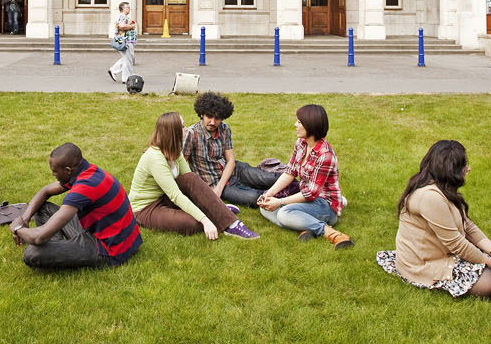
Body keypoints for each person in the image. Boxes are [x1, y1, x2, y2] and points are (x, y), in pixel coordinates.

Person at [376, 140, 491, 299]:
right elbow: (456, 244)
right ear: (452, 170)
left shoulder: (442, 188)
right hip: (423, 264)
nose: (468, 168)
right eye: (464, 165)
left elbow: (468, 227)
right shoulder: (430, 197)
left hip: (442, 253)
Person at [10, 142, 142, 270]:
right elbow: (45, 191)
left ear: (67, 170)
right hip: (116, 236)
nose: (52, 174)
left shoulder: (82, 189)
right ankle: (55, 245)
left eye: (54, 171)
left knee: (32, 253)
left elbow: (39, 237)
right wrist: (25, 219)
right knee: (42, 208)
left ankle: (54, 246)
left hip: (109, 249)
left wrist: (17, 228)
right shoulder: (89, 171)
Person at [129, 111, 260, 239]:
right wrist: (205, 220)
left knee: (191, 178)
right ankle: (218, 212)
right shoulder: (155, 158)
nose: (187, 129)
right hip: (146, 208)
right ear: (173, 132)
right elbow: (176, 195)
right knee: (193, 223)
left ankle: (231, 224)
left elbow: (191, 181)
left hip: (163, 197)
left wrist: (212, 205)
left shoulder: (175, 150)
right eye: (182, 127)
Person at [257, 104, 353, 248]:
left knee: (283, 213)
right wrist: (269, 194)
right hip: (307, 200)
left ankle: (331, 233)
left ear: (311, 125)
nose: (295, 125)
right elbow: (290, 172)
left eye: (299, 122)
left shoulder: (325, 155)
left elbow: (311, 193)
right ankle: (304, 225)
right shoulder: (301, 144)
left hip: (325, 205)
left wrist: (280, 202)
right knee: (265, 207)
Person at [181, 91, 281, 208]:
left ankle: (295, 190)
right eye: (209, 116)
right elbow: (182, 164)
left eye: (217, 118)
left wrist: (219, 188)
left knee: (273, 179)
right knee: (254, 198)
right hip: (215, 183)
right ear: (202, 114)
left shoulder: (224, 129)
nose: (212, 122)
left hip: (235, 170)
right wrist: (216, 188)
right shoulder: (192, 133)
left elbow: (230, 161)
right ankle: (280, 196)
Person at [108, 0, 137, 83]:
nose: (129, 9)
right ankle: (126, 78)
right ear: (122, 8)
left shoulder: (123, 16)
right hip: (125, 40)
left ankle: (114, 70)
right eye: (127, 7)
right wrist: (132, 26)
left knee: (127, 59)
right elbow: (121, 26)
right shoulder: (122, 16)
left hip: (125, 40)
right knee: (128, 60)